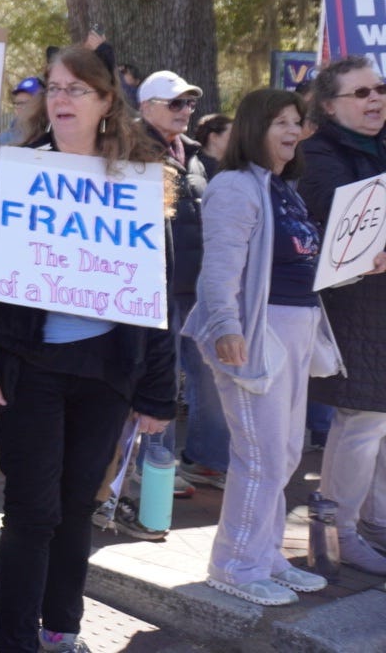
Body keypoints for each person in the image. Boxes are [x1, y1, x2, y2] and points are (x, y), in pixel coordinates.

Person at [0, 46, 176, 653]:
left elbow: (157, 290)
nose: (60, 98)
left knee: (78, 505)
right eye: (54, 87)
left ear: (106, 102)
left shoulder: (137, 177)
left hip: (106, 372)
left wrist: (158, 392)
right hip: (27, 367)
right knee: (32, 510)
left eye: (76, 89)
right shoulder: (16, 168)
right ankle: (16, 642)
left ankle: (62, 628)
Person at [182, 89, 340, 605]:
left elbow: (302, 262)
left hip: (294, 331)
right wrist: (226, 327)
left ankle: (265, 557)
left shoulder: (283, 188)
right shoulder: (234, 185)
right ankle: (234, 566)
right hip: (257, 335)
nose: (294, 131)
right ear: (255, 128)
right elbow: (219, 268)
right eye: (281, 122)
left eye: (297, 121)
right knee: (262, 455)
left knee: (285, 454)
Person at [296, 55, 386, 576]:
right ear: (329, 106)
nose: (375, 99)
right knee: (361, 419)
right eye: (361, 93)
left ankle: (376, 523)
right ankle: (339, 532)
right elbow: (343, 219)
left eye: (380, 89)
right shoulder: (319, 154)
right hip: (355, 309)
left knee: (380, 422)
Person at [137, 71, 229, 494]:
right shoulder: (130, 150)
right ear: (146, 106)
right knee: (162, 376)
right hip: (155, 287)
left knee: (210, 374)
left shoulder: (194, 154)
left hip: (198, 286)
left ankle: (207, 460)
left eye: (189, 103)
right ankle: (154, 463)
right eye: (175, 103)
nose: (186, 111)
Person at [0, 77, 45, 146]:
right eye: (18, 103)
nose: (21, 108)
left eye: (27, 103)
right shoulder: (4, 139)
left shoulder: (56, 137)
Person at [196, 113, 233, 179]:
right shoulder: (209, 170)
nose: (236, 139)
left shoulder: (196, 163)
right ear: (214, 137)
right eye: (231, 134)